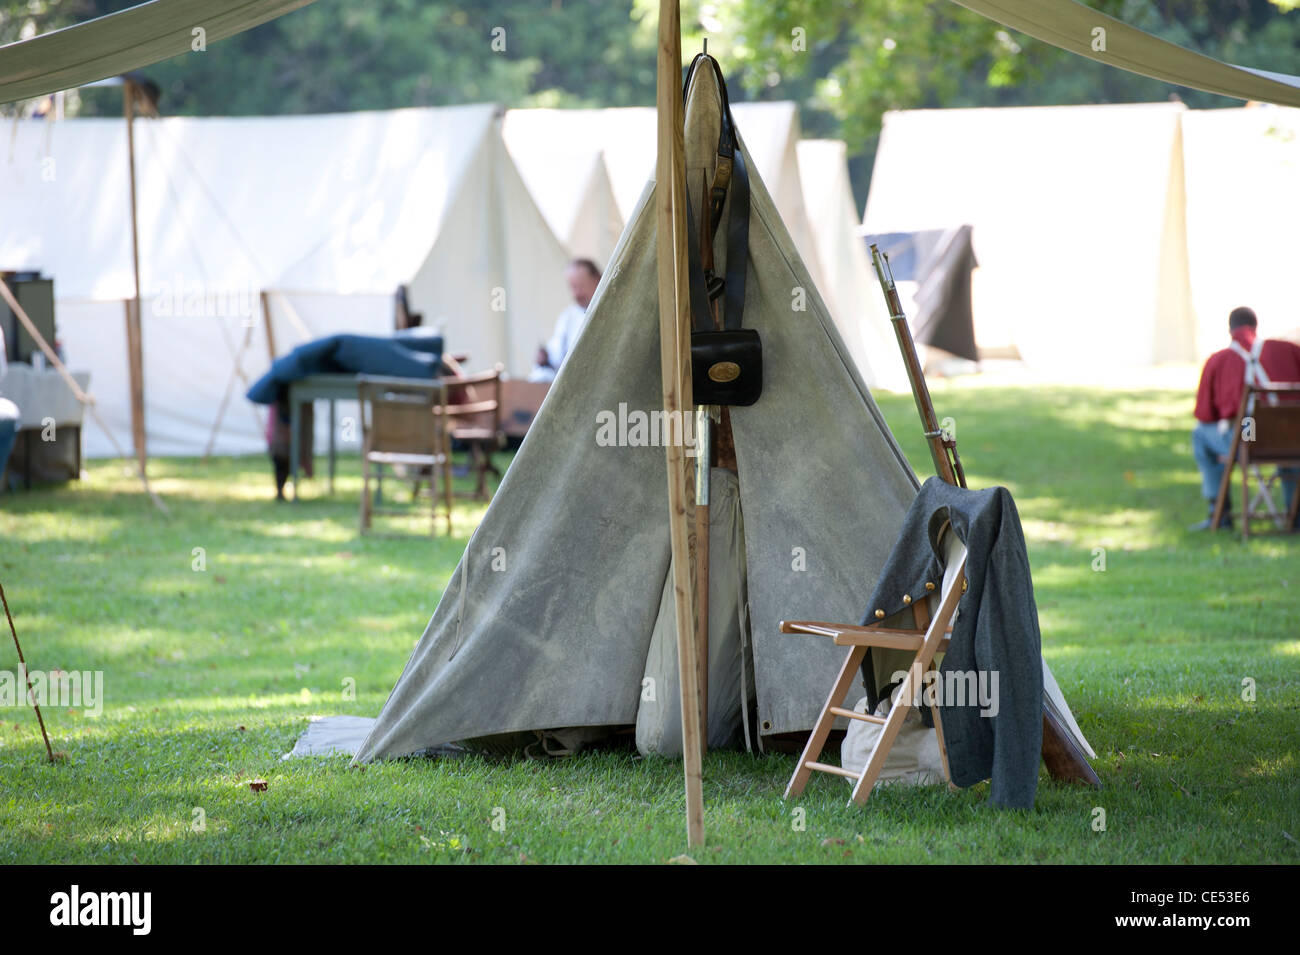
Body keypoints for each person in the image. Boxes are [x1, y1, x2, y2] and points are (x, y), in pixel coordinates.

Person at [1190, 306, 1300, 530]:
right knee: (1285, 437)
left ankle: (1218, 513)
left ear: (1230, 330)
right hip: (1292, 438)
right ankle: (1295, 514)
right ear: (1255, 325)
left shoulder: (1219, 360)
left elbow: (1204, 413)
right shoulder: (1288, 350)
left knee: (1201, 434)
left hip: (1250, 437)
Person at [528, 258, 601, 383]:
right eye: (573, 287)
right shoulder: (568, 317)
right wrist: (545, 359)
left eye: (581, 286)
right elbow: (556, 357)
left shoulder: (616, 310)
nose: (577, 294)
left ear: (597, 280)